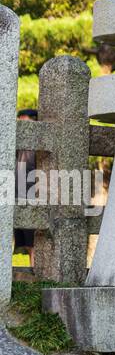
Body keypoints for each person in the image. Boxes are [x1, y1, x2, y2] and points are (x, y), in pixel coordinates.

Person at [12, 108, 37, 262]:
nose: (20, 123)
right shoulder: (18, 142)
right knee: (22, 235)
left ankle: (36, 269)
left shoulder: (38, 141)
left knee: (32, 235)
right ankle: (31, 267)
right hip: (17, 190)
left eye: (24, 120)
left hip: (32, 191)